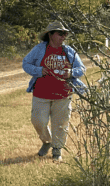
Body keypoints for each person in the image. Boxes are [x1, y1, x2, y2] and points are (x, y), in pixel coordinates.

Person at [21, 20, 86, 162]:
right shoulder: (39, 49)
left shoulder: (69, 51)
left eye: (65, 34)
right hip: (41, 93)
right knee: (38, 121)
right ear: (50, 34)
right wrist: (38, 70)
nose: (64, 36)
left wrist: (70, 72)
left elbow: (82, 69)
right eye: (60, 33)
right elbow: (25, 63)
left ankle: (57, 149)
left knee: (61, 123)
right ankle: (47, 141)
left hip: (64, 93)